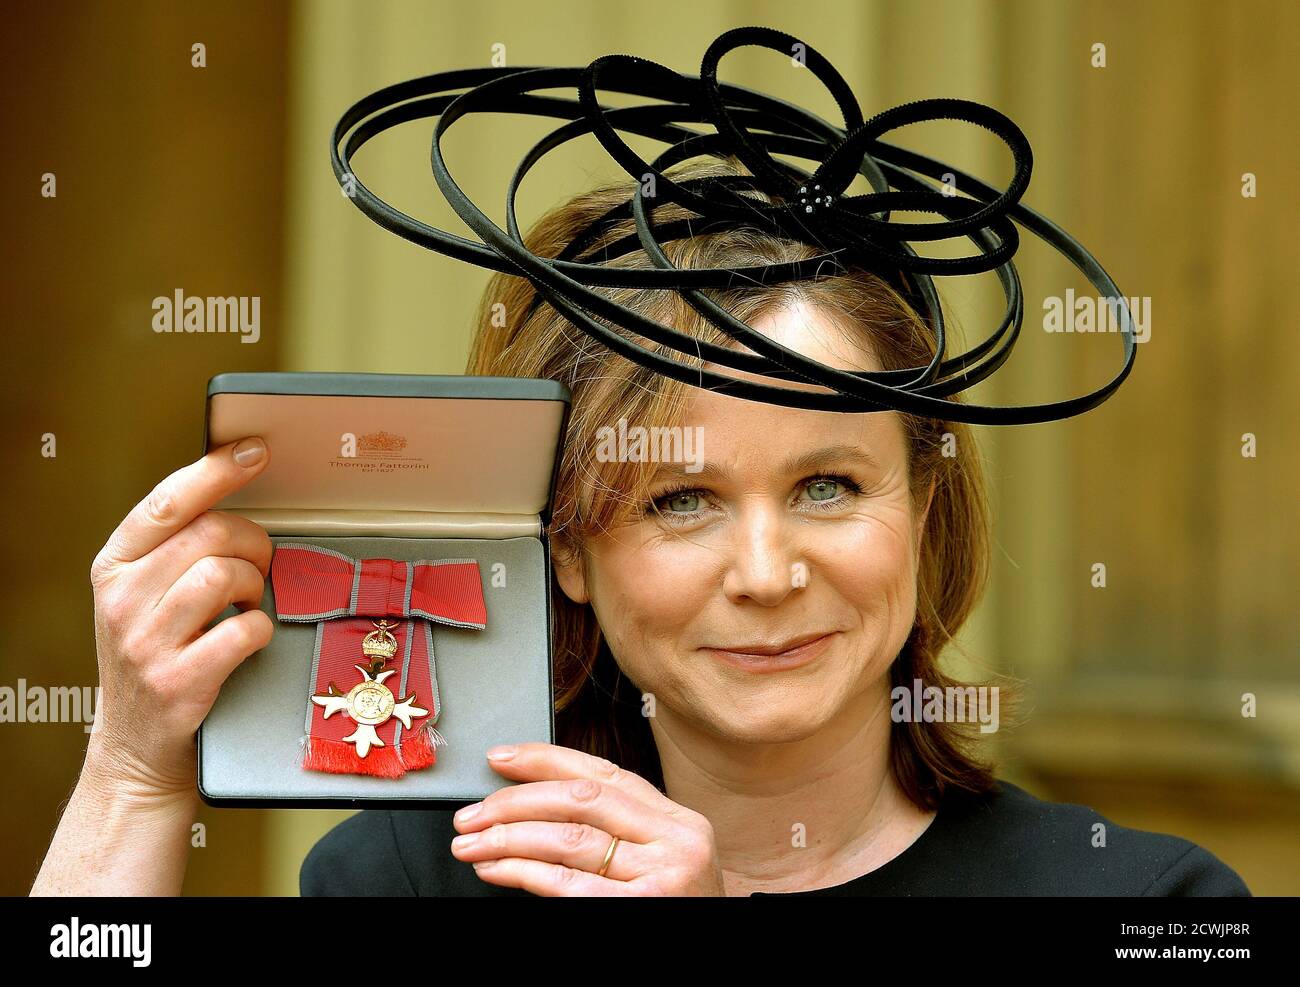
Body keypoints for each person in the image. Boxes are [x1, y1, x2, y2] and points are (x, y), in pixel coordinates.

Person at [31, 158, 1249, 896]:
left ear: (921, 509)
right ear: (563, 542)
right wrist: (132, 778)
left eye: (828, 485)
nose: (768, 574)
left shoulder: (1145, 899)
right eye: (680, 500)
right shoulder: (403, 886)